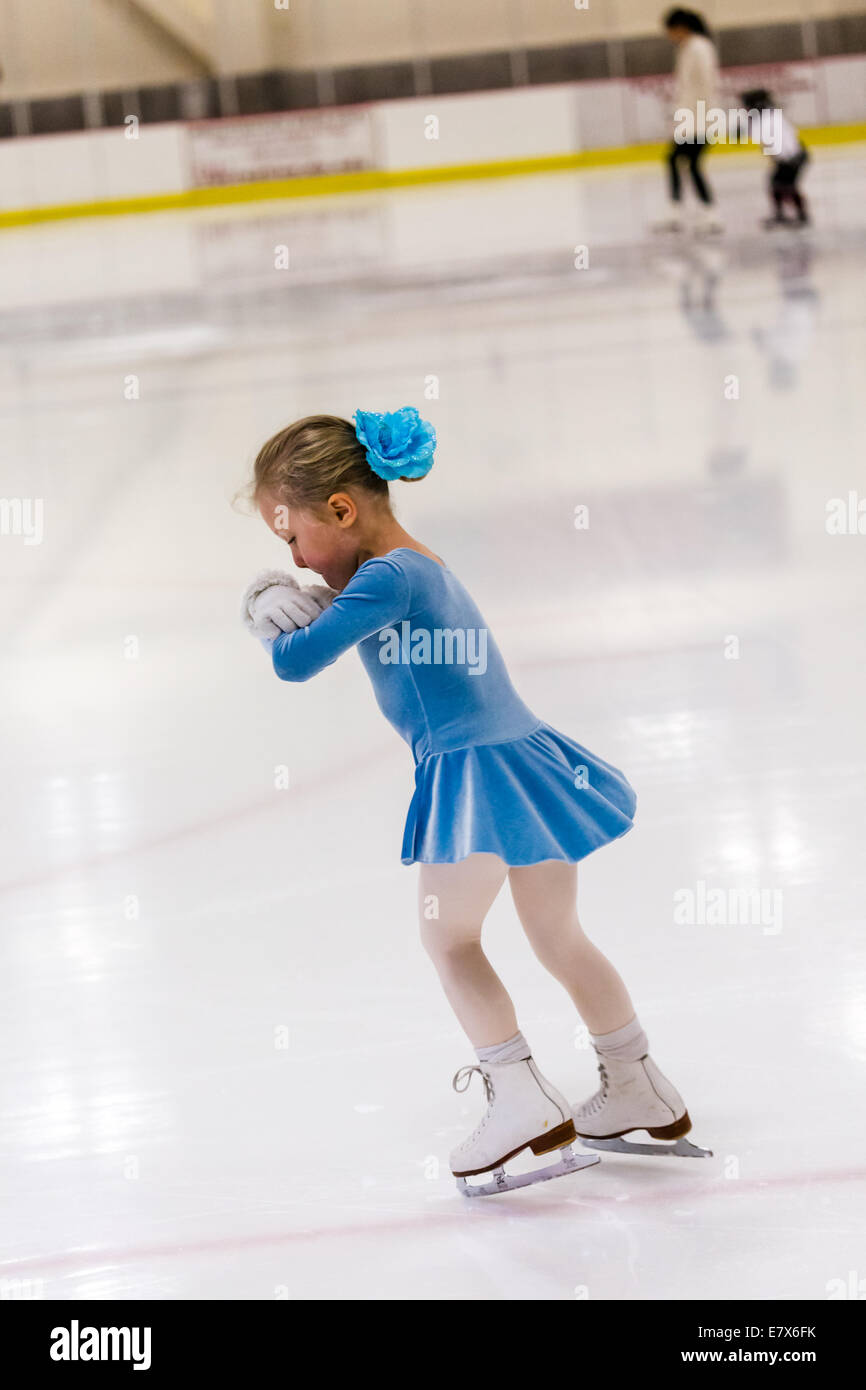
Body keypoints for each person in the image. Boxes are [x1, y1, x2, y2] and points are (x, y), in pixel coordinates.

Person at [239, 407, 704, 1194]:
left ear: (343, 510)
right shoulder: (412, 567)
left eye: (290, 539)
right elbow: (341, 622)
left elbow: (294, 661)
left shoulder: (387, 577)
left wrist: (261, 606)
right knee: (558, 933)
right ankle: (636, 1080)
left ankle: (519, 1095)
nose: (295, 559)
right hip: (523, 759)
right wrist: (298, 592)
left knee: (449, 942)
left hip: (473, 775)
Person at [654, 8, 723, 235]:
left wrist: (700, 118)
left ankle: (704, 214)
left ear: (680, 27)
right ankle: (698, 213)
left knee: (683, 162)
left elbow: (706, 84)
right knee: (681, 162)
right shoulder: (689, 48)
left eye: (670, 30)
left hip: (699, 119)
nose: (669, 36)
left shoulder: (698, 48)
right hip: (691, 119)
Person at [739, 88, 810, 228]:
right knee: (778, 184)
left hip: (791, 158)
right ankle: (784, 214)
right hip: (791, 156)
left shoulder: (764, 118)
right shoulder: (770, 115)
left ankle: (800, 216)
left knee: (786, 186)